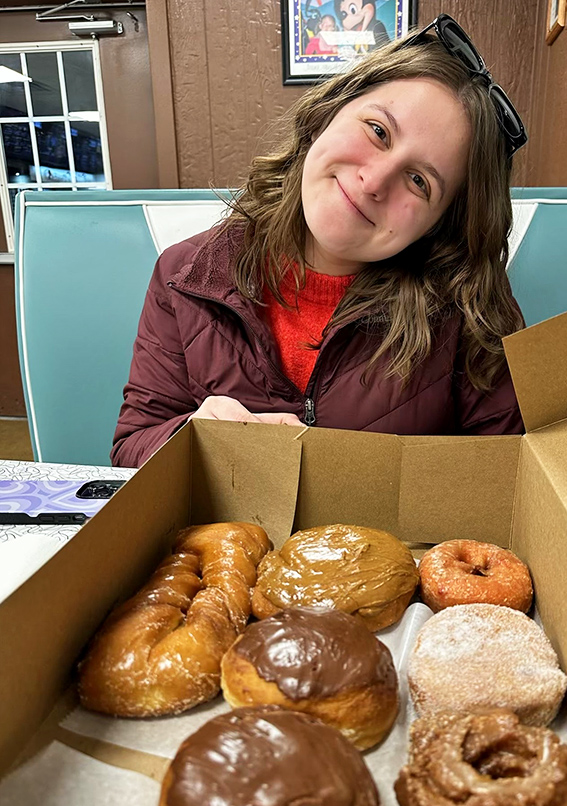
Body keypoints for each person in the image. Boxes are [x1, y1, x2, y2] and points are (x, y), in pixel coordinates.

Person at [111, 14, 528, 469]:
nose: (374, 181)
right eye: (378, 131)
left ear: (437, 225)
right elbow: (131, 447)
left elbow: (511, 472)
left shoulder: (471, 306)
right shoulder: (184, 275)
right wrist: (194, 438)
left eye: (419, 181)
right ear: (327, 114)